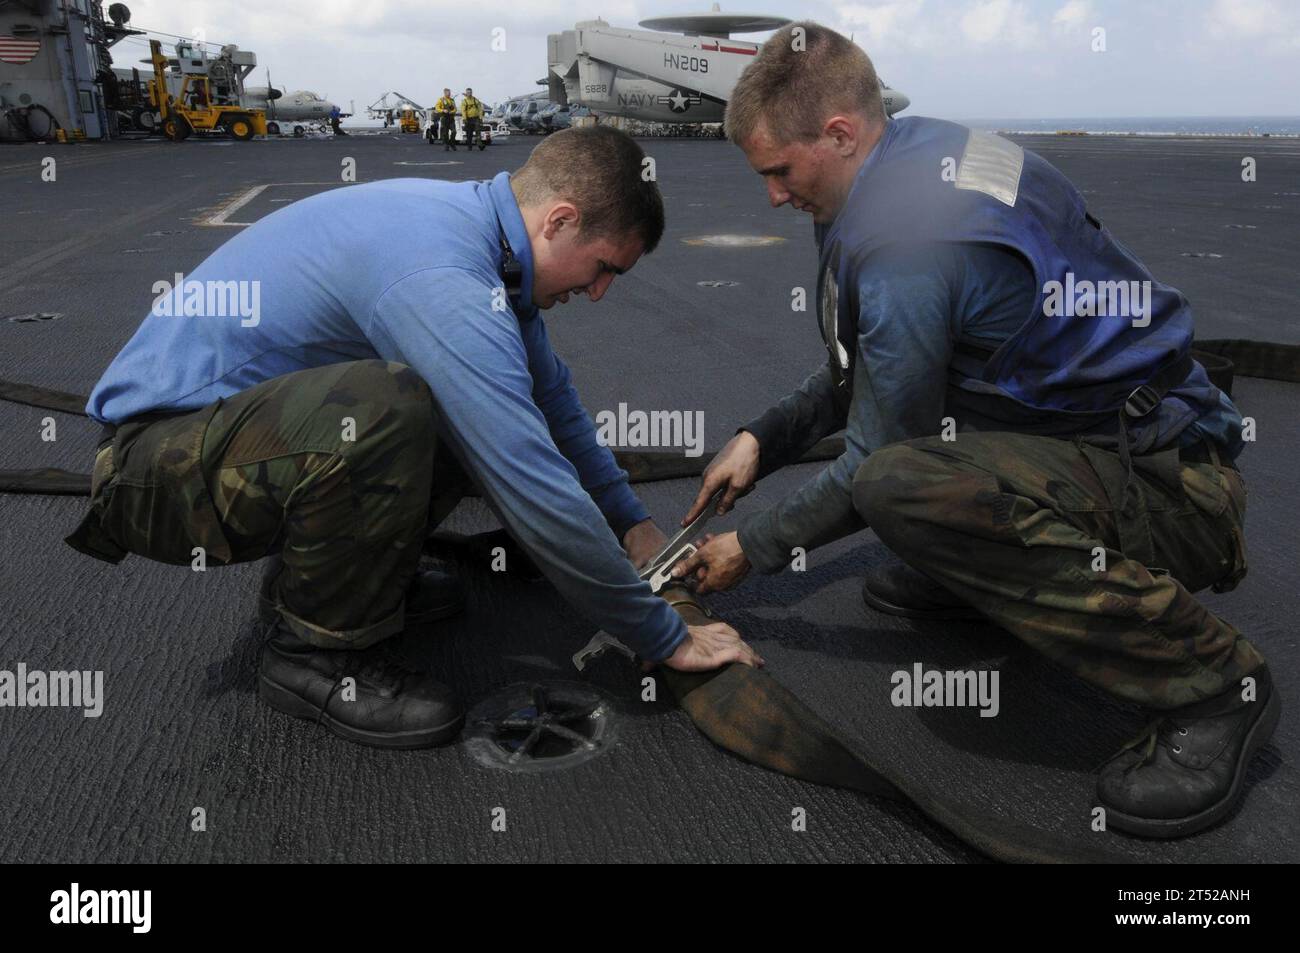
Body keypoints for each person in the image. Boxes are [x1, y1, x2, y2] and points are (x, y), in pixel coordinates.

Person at [672, 21, 1277, 839]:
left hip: (1179, 485)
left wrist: (754, 545)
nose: (775, 196)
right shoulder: (912, 160)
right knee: (916, 473)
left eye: (779, 171)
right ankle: (987, 571)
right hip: (1101, 437)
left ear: (841, 133)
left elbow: (874, 453)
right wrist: (761, 436)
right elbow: (866, 366)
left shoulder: (908, 243)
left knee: (900, 485)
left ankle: (1209, 682)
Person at [65, 126, 761, 751]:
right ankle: (310, 655)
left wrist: (637, 530)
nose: (602, 291)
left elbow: (555, 410)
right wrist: (665, 635)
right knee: (393, 406)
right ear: (560, 220)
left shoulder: (480, 241)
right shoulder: (442, 273)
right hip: (154, 468)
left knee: (447, 402)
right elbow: (529, 479)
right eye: (605, 267)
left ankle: (352, 587)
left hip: (224, 445)